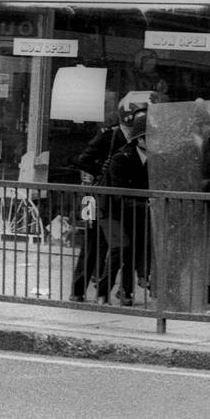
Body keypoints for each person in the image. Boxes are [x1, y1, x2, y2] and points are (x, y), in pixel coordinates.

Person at [68, 116, 131, 303]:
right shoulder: (109, 135)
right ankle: (78, 289)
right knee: (91, 243)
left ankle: (102, 286)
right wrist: (101, 171)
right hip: (96, 195)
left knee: (110, 242)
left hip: (114, 199)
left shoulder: (134, 138)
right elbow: (84, 160)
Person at [100, 95, 153, 307]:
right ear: (139, 139)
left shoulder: (154, 160)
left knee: (135, 250)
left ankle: (127, 291)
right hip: (114, 211)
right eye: (150, 137)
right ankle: (104, 291)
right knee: (120, 248)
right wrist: (145, 202)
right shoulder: (121, 159)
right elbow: (118, 192)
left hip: (137, 211)